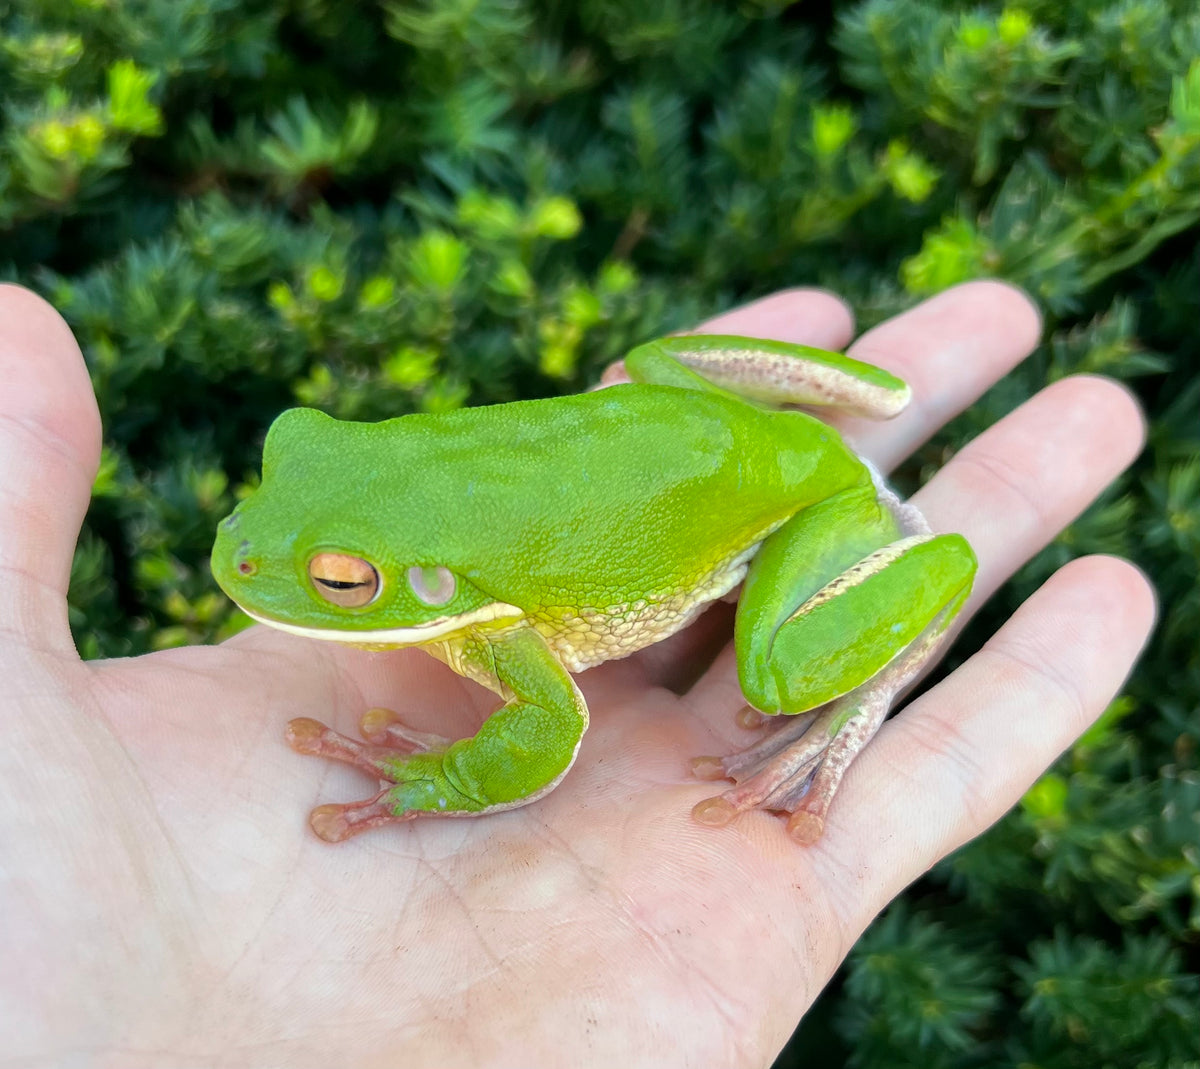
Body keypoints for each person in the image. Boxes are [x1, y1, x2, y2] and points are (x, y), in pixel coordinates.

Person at [0, 280, 1154, 1067]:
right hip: (689, 428)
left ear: (427, 588)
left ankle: (860, 685)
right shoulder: (430, 565)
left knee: (773, 669)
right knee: (642, 375)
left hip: (802, 507)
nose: (242, 552)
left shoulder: (494, 630)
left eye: (343, 578)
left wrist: (440, 778)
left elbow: (548, 726)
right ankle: (841, 410)